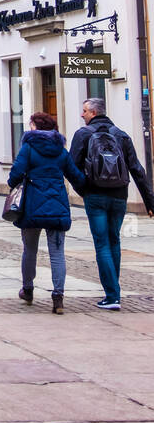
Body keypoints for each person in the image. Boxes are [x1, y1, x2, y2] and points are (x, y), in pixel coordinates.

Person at [69, 96, 154, 309]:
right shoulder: (121, 135)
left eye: (85, 111)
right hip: (119, 195)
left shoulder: (83, 134)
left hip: (95, 196)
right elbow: (137, 170)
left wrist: (84, 189)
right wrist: (150, 202)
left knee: (102, 243)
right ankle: (113, 290)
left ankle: (112, 295)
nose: (82, 114)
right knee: (114, 240)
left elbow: (71, 167)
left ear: (94, 113)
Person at [7, 111, 87, 313]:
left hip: (32, 206)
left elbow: (15, 174)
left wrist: (14, 183)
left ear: (35, 126)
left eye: (31, 124)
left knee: (30, 250)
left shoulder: (28, 148)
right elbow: (76, 176)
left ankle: (28, 289)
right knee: (57, 253)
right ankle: (58, 297)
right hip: (57, 206)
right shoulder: (61, 150)